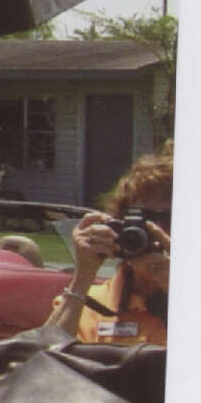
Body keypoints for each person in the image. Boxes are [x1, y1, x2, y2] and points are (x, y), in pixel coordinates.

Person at [45, 143, 172, 345]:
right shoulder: (92, 301)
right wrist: (83, 277)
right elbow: (45, 365)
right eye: (143, 221)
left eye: (168, 219)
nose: (157, 232)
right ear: (120, 227)